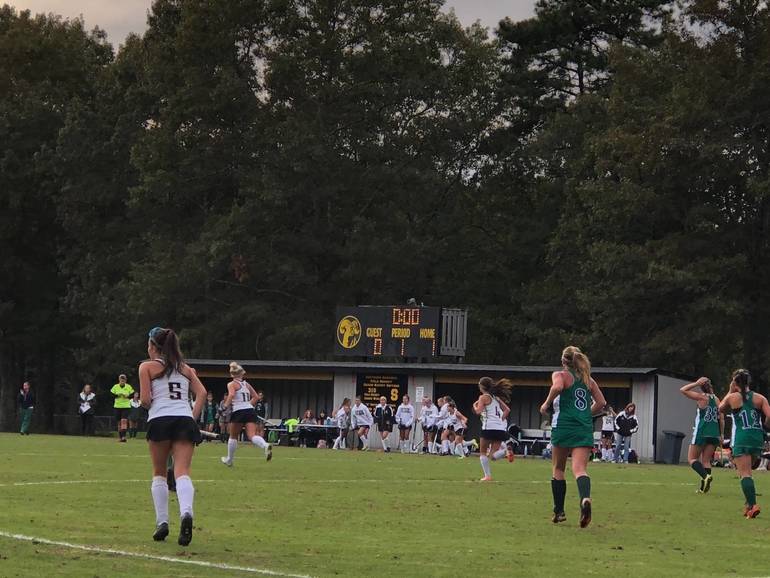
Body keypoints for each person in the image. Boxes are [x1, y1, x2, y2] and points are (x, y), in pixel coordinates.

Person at [139, 326, 206, 546]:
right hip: (184, 419)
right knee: (182, 471)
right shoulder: (185, 368)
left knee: (159, 472)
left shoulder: (146, 367)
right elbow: (202, 393)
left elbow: (146, 400)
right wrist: (192, 417)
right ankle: (186, 513)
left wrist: (142, 402)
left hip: (160, 419)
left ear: (152, 346)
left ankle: (162, 523)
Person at [539, 346, 606, 528]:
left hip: (563, 426)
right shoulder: (588, 380)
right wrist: (585, 414)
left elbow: (558, 387)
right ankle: (585, 498)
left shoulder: (560, 375)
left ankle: (559, 511)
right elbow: (601, 403)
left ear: (563, 361)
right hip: (583, 427)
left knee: (558, 468)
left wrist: (546, 404)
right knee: (580, 469)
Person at [718, 369, 770, 518]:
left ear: (735, 382)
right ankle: (748, 505)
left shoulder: (733, 397)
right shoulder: (760, 398)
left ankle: (753, 506)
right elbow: (769, 416)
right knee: (747, 472)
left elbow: (719, 409)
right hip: (757, 437)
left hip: (742, 437)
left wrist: (729, 391)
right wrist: (764, 425)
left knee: (744, 473)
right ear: (749, 382)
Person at [220, 362, 272, 466]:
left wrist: (224, 407)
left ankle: (229, 460)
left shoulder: (231, 384)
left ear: (232, 375)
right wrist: (248, 405)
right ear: (242, 374)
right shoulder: (246, 384)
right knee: (252, 435)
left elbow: (231, 395)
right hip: (249, 410)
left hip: (239, 411)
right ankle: (265, 445)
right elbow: (256, 397)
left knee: (233, 436)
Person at [681, 377, 723, 493]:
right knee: (706, 461)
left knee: (692, 458)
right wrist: (721, 434)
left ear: (701, 387)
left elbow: (683, 390)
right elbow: (722, 419)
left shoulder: (701, 397)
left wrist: (695, 383)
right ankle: (703, 488)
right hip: (714, 433)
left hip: (702, 431)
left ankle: (705, 477)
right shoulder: (718, 400)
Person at [473, 377, 514, 480]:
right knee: (492, 456)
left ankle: (487, 476)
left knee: (482, 452)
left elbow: (478, 412)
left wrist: (475, 405)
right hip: (500, 429)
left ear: (482, 386)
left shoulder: (483, 397)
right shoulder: (496, 398)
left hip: (488, 428)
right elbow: (507, 410)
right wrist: (500, 419)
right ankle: (505, 451)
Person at [111, 374, 135, 442]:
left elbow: (132, 395)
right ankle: (120, 437)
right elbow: (111, 395)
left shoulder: (128, 387)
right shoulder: (115, 386)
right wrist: (117, 395)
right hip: (117, 406)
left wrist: (127, 395)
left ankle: (124, 436)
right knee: (119, 422)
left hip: (126, 406)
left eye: (123, 380)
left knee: (123, 421)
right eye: (121, 380)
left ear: (125, 380)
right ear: (119, 380)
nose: (122, 381)